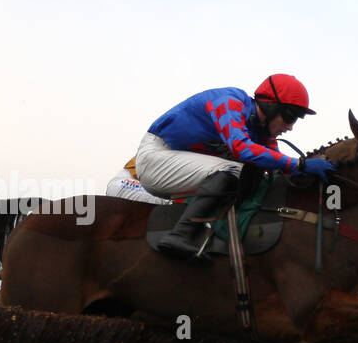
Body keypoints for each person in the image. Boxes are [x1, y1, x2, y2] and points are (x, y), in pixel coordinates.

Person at [134, 74, 335, 260]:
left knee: (253, 176)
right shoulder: (230, 102)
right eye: (290, 117)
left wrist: (305, 169)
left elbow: (277, 163)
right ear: (271, 106)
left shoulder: (262, 131)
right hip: (156, 158)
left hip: (177, 165)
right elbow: (242, 149)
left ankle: (215, 236)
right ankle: (180, 235)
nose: (290, 127)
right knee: (234, 171)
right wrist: (300, 163)